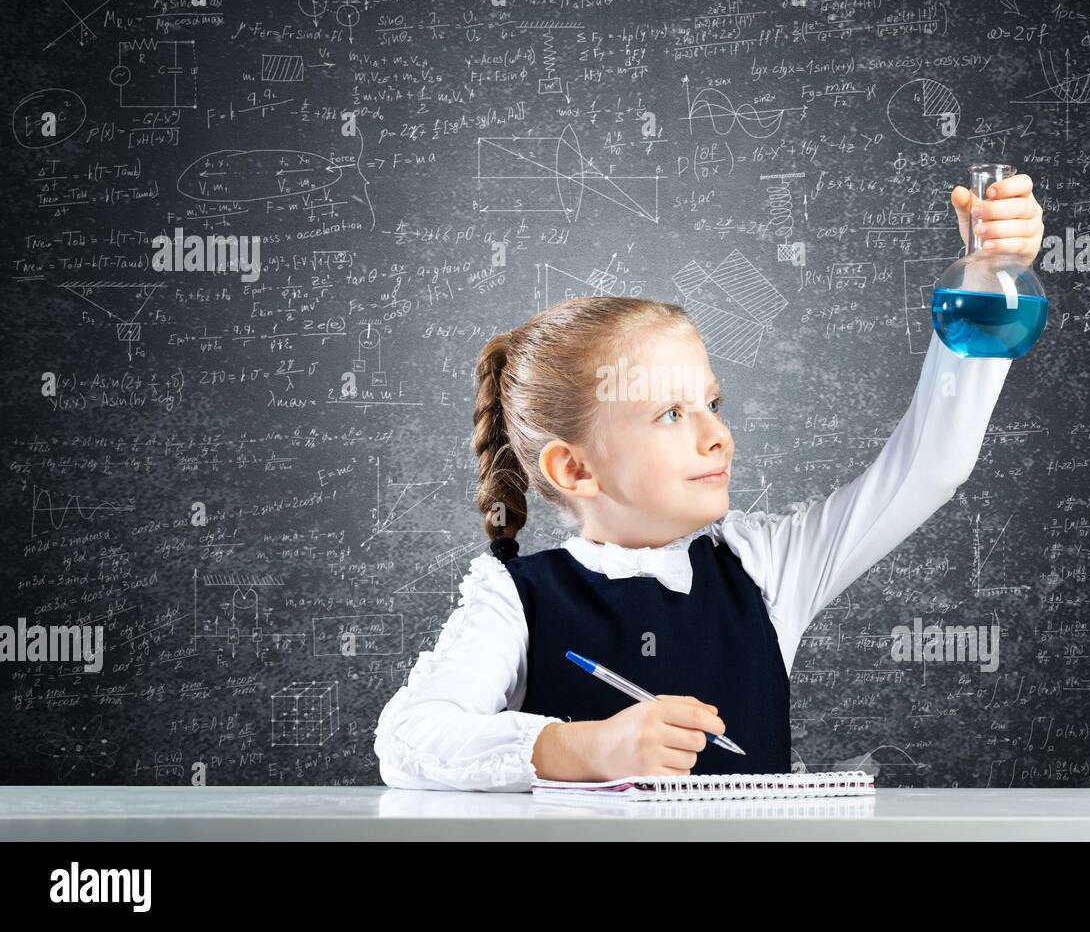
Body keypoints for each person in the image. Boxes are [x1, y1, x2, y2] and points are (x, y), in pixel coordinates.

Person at [373, 177, 1044, 791]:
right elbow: (409, 740)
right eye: (670, 414)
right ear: (574, 468)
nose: (716, 435)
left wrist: (988, 285)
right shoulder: (515, 598)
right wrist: (589, 748)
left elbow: (930, 466)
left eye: (711, 406)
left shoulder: (768, 565)